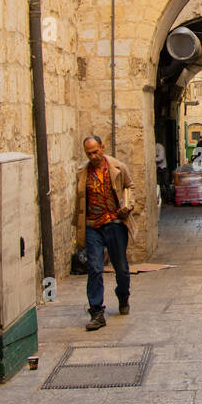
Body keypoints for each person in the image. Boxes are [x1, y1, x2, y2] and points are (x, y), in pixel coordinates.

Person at [72, 135, 137, 331]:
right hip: (93, 226)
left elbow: (129, 186)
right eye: (88, 153)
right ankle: (96, 311)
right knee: (94, 268)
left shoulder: (118, 167)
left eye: (95, 151)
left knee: (122, 268)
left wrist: (128, 204)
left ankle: (123, 294)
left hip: (115, 223)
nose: (92, 156)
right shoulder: (82, 172)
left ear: (102, 147)